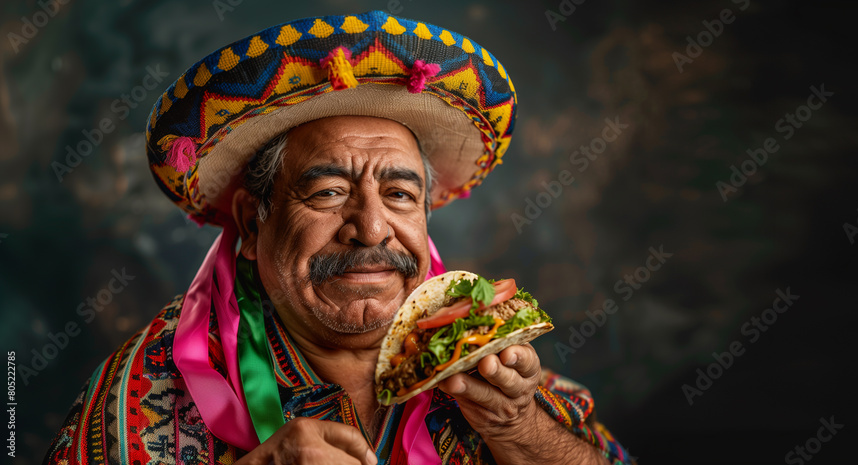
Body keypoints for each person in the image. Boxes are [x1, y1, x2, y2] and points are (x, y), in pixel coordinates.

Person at [45, 11, 633, 465]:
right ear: (252, 224)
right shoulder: (155, 384)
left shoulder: (494, 368)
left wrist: (515, 427)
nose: (373, 228)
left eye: (400, 195)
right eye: (328, 192)